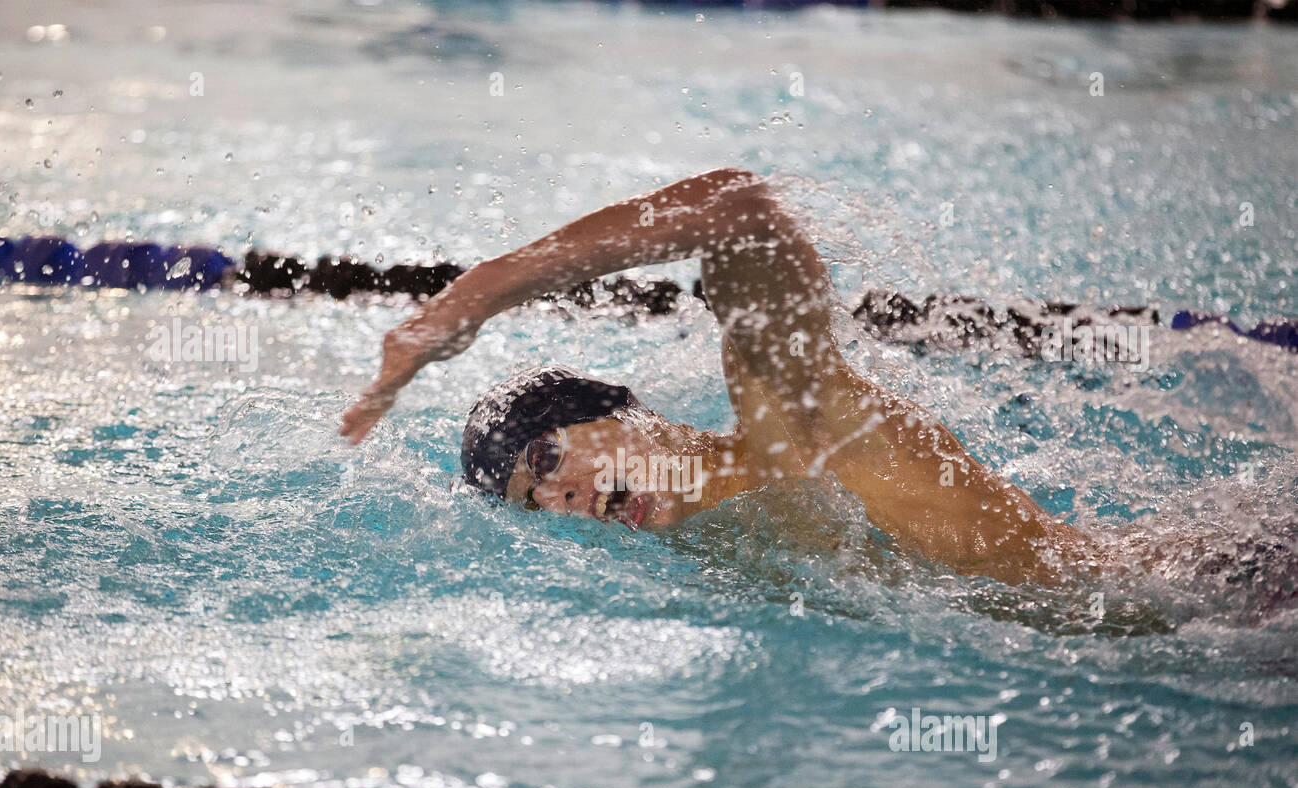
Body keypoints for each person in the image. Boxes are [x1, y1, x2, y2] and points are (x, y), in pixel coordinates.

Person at [340, 167, 1099, 586]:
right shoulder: (710, 547)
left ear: (617, 411)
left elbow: (740, 213)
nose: (560, 499)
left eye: (546, 458)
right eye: (533, 504)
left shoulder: (793, 428)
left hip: (1193, 597)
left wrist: (474, 297)